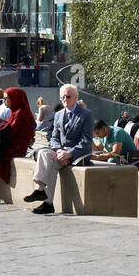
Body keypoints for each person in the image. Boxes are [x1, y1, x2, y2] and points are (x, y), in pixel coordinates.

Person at [24, 84, 94, 215]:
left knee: (50, 163)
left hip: (77, 156)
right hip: (60, 153)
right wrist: (59, 151)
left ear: (76, 97)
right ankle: (41, 191)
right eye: (62, 97)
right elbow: (54, 137)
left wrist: (69, 153)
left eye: (68, 96)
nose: (65, 99)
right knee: (44, 153)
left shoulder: (86, 115)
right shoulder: (58, 115)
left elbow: (86, 142)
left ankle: (46, 201)